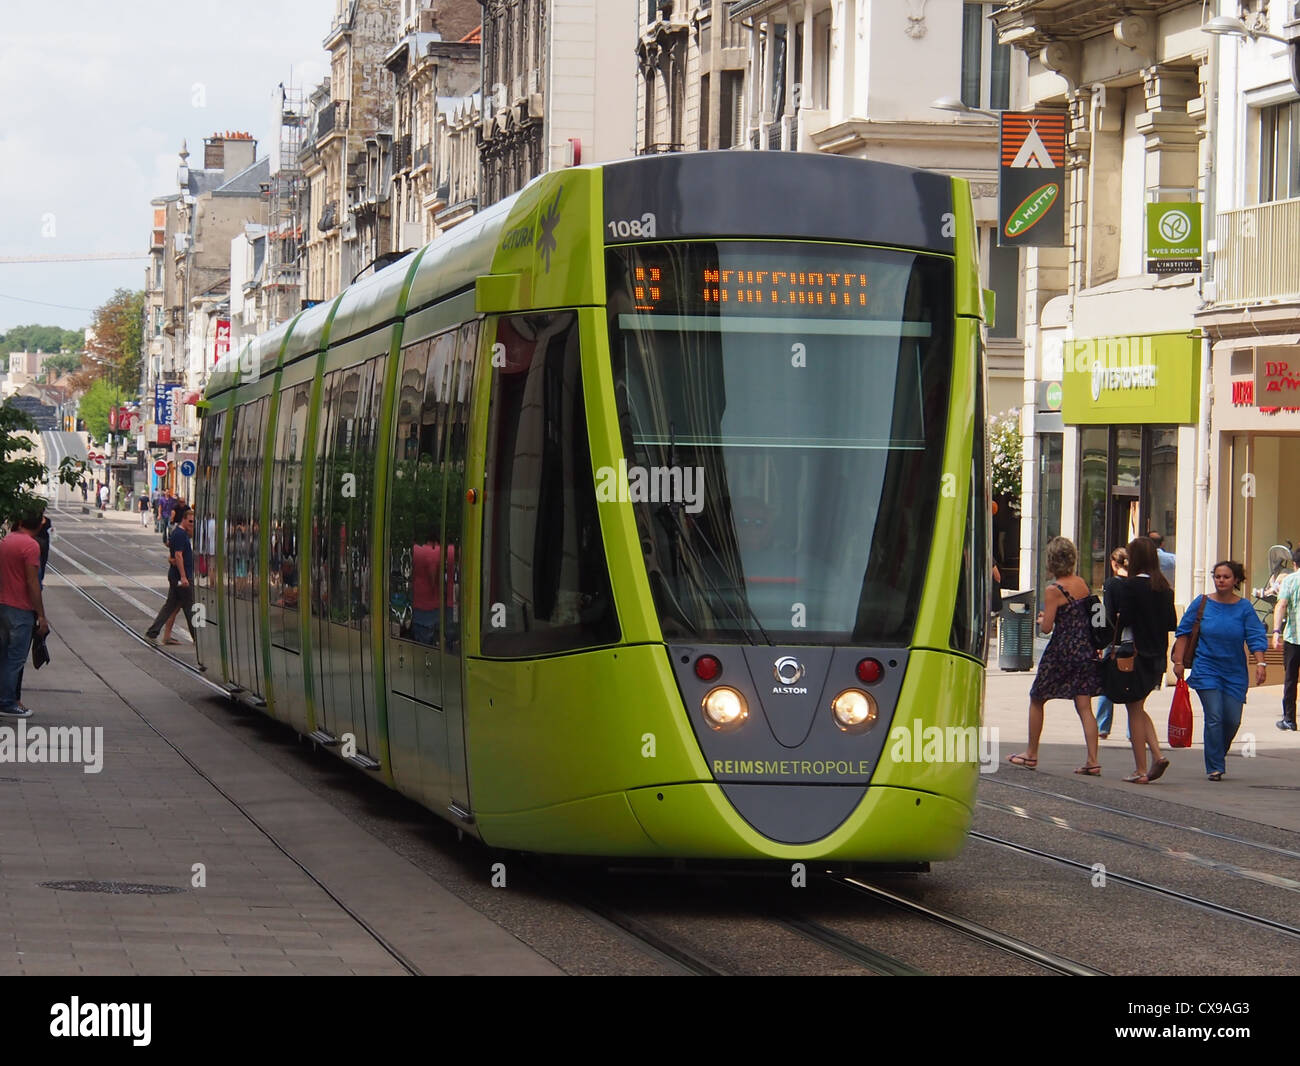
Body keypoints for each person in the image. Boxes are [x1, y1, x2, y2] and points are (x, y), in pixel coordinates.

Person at [1007, 536, 1103, 775]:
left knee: (1037, 697)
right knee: (1084, 705)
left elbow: (1047, 628)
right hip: (1084, 649)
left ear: (1051, 561)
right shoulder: (1081, 583)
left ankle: (1031, 753)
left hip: (1062, 651)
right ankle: (1092, 760)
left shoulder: (1054, 590)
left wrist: (1042, 619)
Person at [1172, 560, 1270, 780]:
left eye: (1226, 577)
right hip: (1207, 667)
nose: (1221, 581)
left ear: (1235, 580)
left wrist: (1261, 664)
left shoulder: (1244, 607)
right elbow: (1184, 632)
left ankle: (1218, 752)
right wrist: (1178, 662)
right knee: (1214, 716)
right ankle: (1215, 766)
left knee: (1232, 720)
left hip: (1235, 671)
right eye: (1217, 576)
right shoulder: (1202, 603)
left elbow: (1255, 636)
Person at [1107, 536, 1178, 783]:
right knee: (1139, 705)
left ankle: (1140, 769)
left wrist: (1120, 615)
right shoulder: (1164, 588)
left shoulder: (1130, 586)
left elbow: (1123, 619)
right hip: (1157, 655)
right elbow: (1171, 623)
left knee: (1133, 709)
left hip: (1134, 654)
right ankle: (1157, 755)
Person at [0, 506, 51, 718]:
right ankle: (7, 703)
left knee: (3, 656)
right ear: (40, 524)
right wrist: (41, 614)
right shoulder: (31, 546)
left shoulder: (6, 540)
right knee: (15, 659)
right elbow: (32, 582)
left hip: (2, 605)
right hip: (20, 609)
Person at [145, 506, 198, 647]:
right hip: (181, 577)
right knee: (190, 606)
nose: (192, 524)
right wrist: (184, 577)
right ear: (184, 520)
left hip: (177, 576)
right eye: (191, 521)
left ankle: (154, 632)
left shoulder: (181, 534)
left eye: (194, 522)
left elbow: (172, 550)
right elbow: (178, 555)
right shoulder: (180, 534)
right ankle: (198, 639)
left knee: (171, 606)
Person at [1095, 546, 1129, 740]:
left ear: (1114, 565)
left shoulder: (1111, 584)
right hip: (1133, 640)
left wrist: (1101, 640)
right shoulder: (1135, 584)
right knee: (1132, 685)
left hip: (1114, 639)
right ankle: (1132, 730)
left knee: (1107, 682)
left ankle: (1103, 726)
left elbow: (1108, 615)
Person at [1275, 548, 1300, 731]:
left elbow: (1281, 604)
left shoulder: (1289, 580)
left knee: (1290, 679)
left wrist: (1276, 631)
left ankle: (1289, 719)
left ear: (1294, 563)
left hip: (1294, 637)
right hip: (1293, 637)